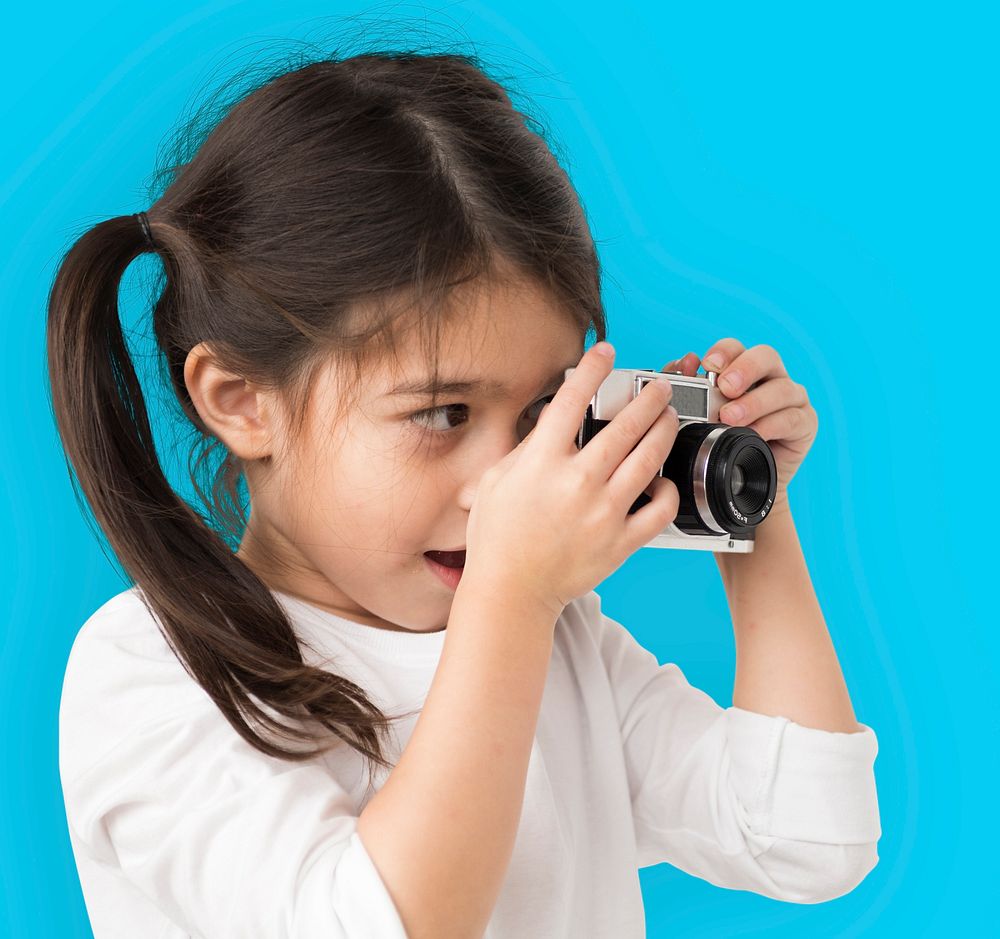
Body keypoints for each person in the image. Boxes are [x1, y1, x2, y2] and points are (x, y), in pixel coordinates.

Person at [47, 45, 881, 939]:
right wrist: (513, 600)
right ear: (245, 403)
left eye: (541, 414)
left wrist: (746, 514)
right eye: (443, 413)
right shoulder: (155, 670)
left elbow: (809, 839)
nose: (502, 485)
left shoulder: (559, 641)